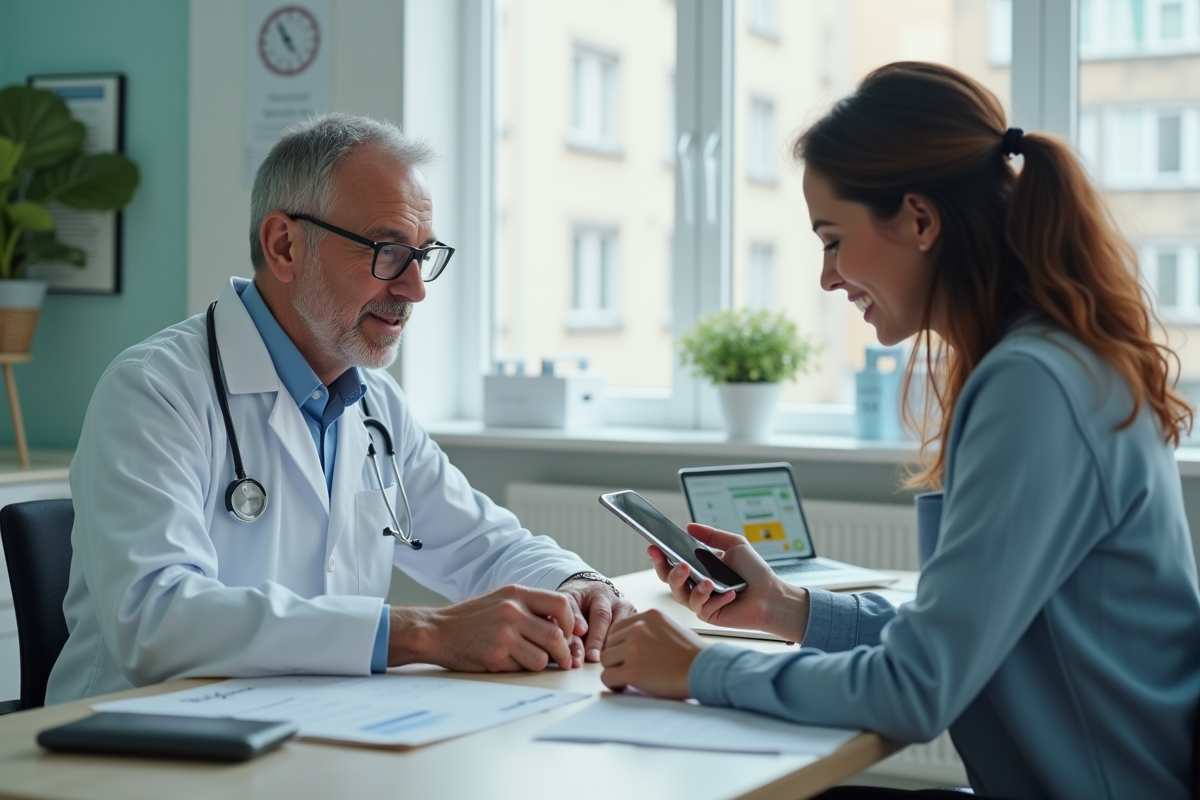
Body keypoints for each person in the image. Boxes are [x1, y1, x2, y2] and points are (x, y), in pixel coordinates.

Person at [599, 62, 1200, 800]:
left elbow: (915, 688)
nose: (826, 277)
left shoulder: (1033, 386)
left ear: (918, 219)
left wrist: (698, 668)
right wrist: (785, 609)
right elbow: (962, 629)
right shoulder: (1054, 363)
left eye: (831, 238)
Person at [46, 114, 633, 704]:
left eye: (422, 257)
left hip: (312, 725)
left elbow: (480, 543)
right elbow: (157, 620)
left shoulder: (374, 403)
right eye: (387, 251)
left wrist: (578, 584)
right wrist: (425, 632)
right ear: (285, 246)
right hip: (140, 746)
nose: (414, 288)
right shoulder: (155, 390)